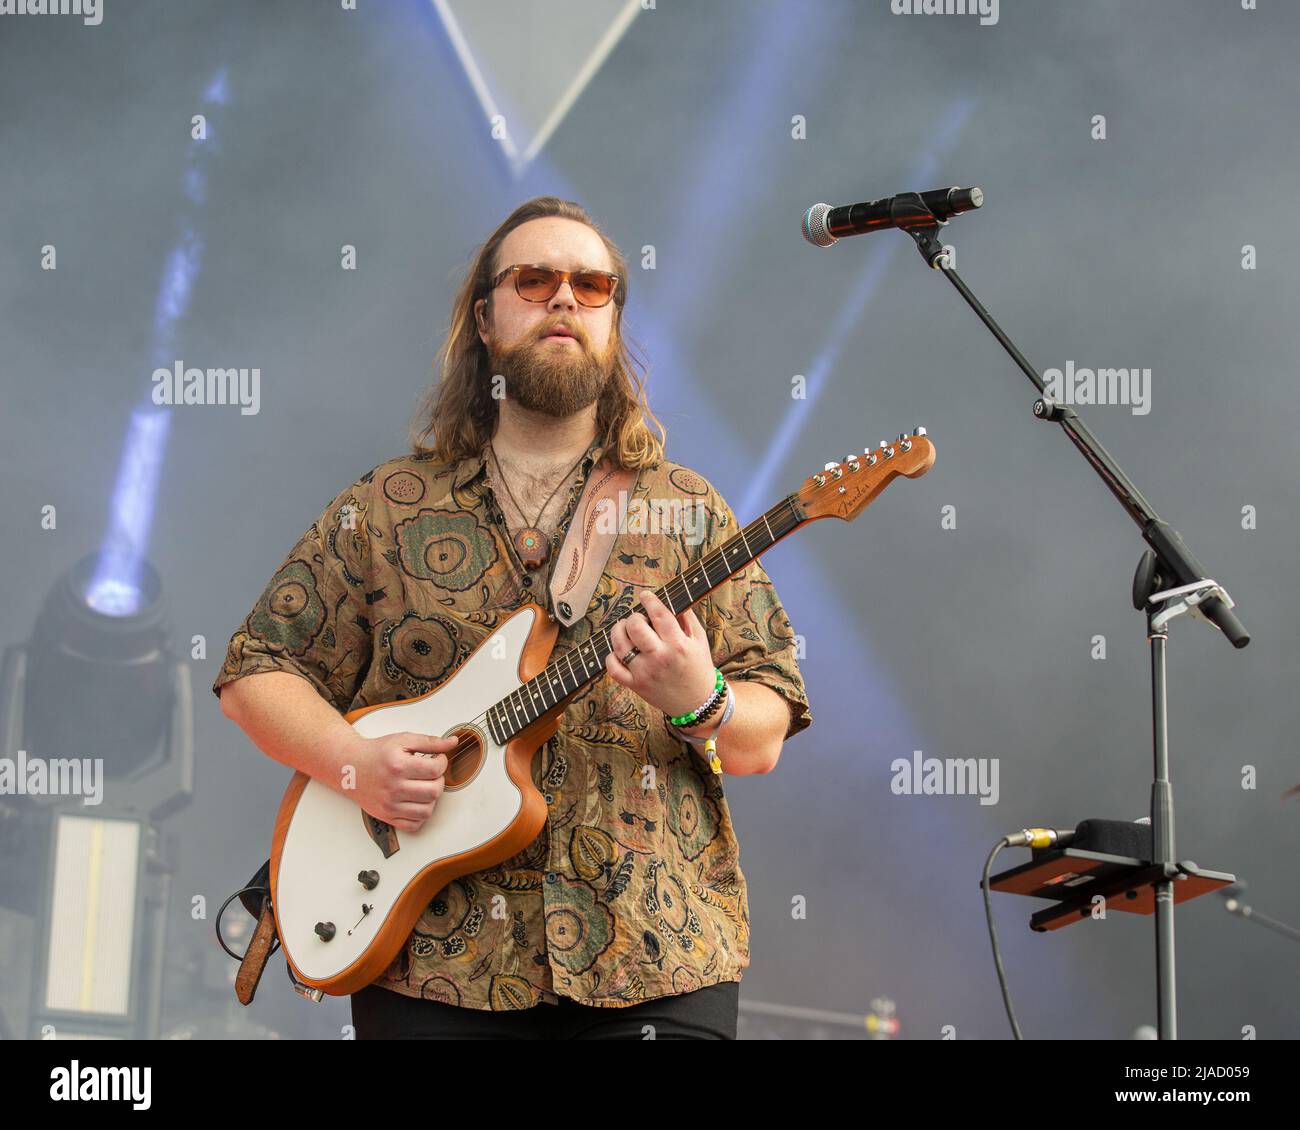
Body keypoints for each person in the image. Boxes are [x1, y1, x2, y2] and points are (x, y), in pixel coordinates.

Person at [213, 196, 813, 1040]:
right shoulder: (386, 507)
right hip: (433, 966)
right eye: (534, 280)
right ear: (485, 319)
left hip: (656, 955)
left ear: (612, 322)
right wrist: (354, 763)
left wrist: (698, 696)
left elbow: (761, 736)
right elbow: (255, 673)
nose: (565, 299)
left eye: (592, 285)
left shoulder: (689, 512)